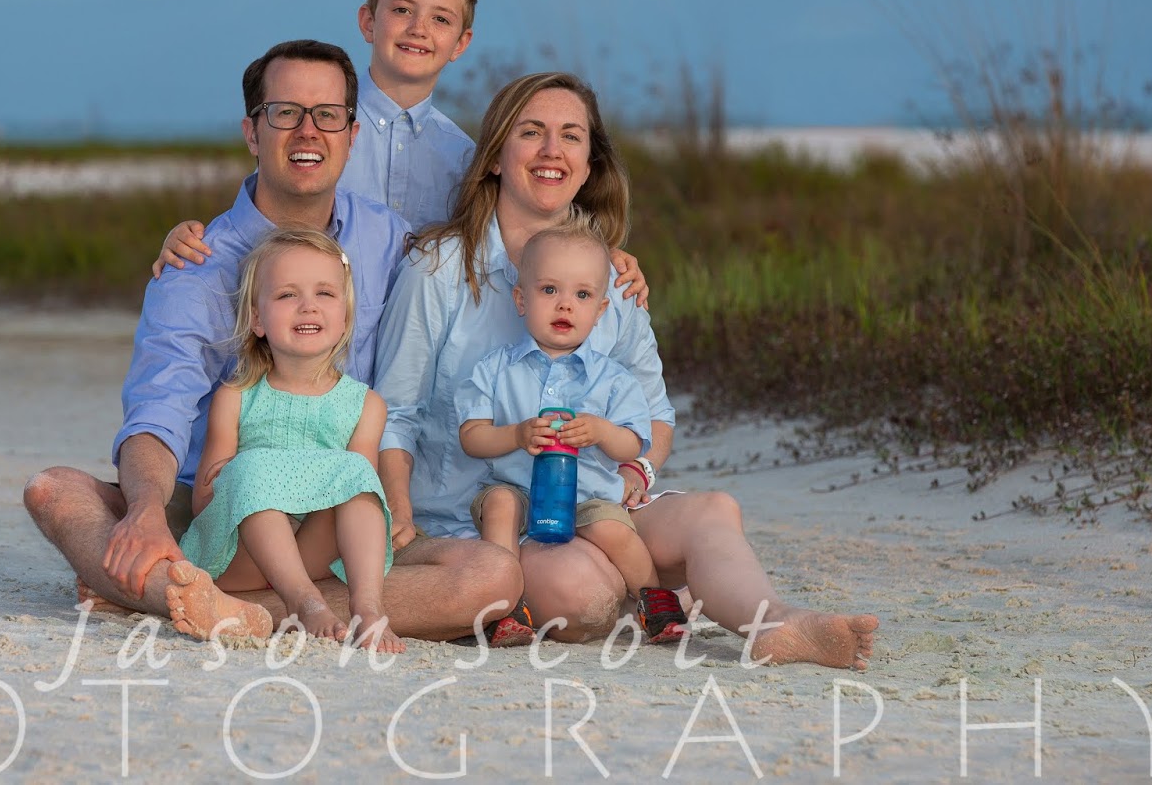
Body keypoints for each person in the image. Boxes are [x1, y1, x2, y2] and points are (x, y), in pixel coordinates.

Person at [375, 71, 880, 668]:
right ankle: (663, 596)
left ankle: (776, 624)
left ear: (589, 166)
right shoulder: (439, 269)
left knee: (713, 511)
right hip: (484, 518)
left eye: (571, 136)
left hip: (594, 499)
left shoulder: (614, 281)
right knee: (582, 593)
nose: (551, 151)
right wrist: (400, 515)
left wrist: (637, 469)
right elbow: (395, 412)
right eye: (531, 132)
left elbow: (654, 411)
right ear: (493, 158)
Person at [23, 39, 521, 643]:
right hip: (223, 507)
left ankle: (204, 603)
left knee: (493, 576)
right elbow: (160, 408)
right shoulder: (197, 265)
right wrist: (147, 510)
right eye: (285, 113)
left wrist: (601, 257)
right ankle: (211, 590)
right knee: (54, 492)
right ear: (252, 133)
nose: (308, 131)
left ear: (351, 135)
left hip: (340, 509)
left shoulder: (387, 239)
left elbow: (491, 263)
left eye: (327, 115)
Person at [148, 0, 650, 306]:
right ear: (368, 22)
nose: (418, 29)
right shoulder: (322, 131)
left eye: (440, 19)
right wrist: (186, 238)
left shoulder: (464, 157)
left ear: (461, 43)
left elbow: (520, 226)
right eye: (402, 10)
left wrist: (602, 255)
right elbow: (262, 212)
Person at [456, 218, 687, 644]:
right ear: (521, 299)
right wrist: (517, 435)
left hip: (587, 494)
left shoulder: (613, 379)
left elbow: (632, 445)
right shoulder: (495, 369)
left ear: (600, 310)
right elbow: (472, 437)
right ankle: (505, 606)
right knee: (500, 506)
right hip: (516, 488)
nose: (565, 305)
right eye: (549, 290)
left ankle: (655, 601)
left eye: (582, 295)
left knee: (616, 531)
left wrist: (601, 431)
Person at [182, 228, 403, 652]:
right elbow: (205, 501)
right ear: (257, 320)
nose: (308, 306)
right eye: (287, 295)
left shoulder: (366, 405)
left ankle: (368, 607)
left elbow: (360, 493)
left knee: (357, 475)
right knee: (250, 468)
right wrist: (247, 476)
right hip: (242, 555)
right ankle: (304, 602)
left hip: (315, 552)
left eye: (325, 293)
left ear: (345, 317)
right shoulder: (236, 397)